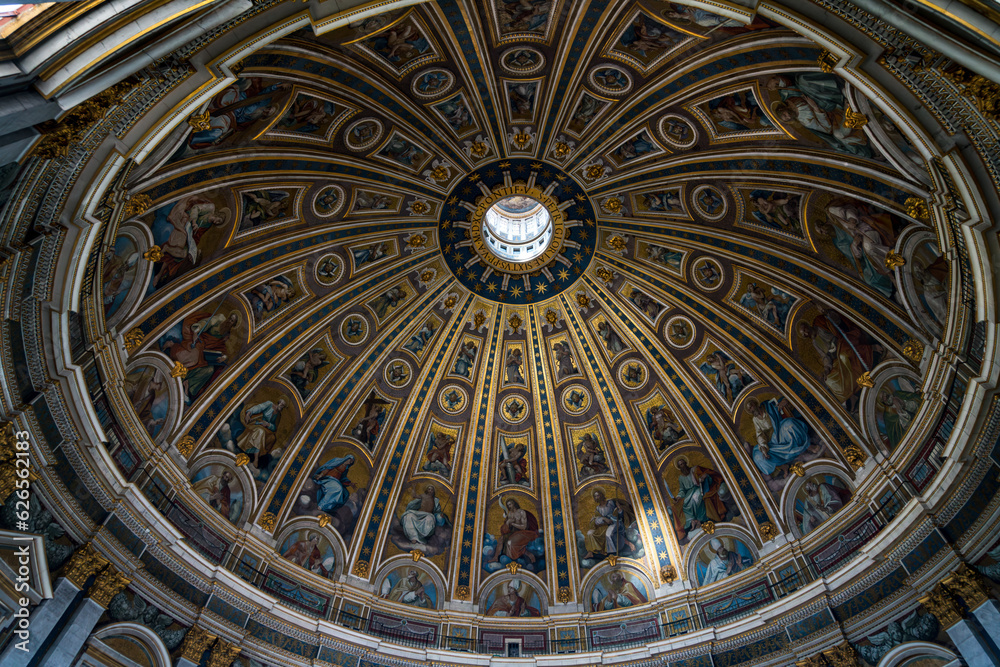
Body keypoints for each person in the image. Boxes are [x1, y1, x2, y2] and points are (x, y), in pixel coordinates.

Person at [744, 396, 814, 477]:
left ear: (755, 403)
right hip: (771, 440)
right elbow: (760, 434)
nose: (751, 409)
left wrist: (784, 401)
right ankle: (783, 466)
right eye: (749, 409)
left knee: (790, 424)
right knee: (757, 455)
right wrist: (763, 446)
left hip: (780, 430)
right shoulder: (755, 419)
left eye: (751, 406)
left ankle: (808, 446)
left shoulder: (768, 406)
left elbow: (780, 401)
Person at [670, 457, 729, 537]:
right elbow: (682, 490)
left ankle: (701, 520)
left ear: (686, 463)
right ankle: (693, 522)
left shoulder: (694, 470)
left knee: (695, 499)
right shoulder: (681, 478)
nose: (683, 466)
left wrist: (704, 477)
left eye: (683, 463)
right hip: (688, 493)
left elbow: (706, 475)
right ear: (679, 467)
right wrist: (678, 497)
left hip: (698, 488)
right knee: (685, 505)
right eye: (680, 465)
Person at [582, 488, 636, 559]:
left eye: (598, 495)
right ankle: (591, 552)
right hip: (604, 525)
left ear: (601, 495)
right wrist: (604, 519)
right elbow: (596, 519)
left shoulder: (610, 503)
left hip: (614, 522)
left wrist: (619, 509)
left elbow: (619, 514)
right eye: (595, 496)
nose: (596, 497)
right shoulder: (598, 508)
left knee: (608, 534)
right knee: (589, 533)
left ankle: (612, 553)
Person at [237, 398, 286, 468]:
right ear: (279, 402)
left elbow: (275, 427)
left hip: (266, 429)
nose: (281, 406)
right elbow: (258, 408)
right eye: (281, 403)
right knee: (260, 431)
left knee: (272, 438)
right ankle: (256, 459)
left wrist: (269, 425)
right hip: (257, 423)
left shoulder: (278, 415)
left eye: (283, 406)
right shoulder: (269, 404)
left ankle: (258, 455)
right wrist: (249, 413)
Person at [493, 497, 539, 564]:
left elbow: (524, 527)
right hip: (513, 533)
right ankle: (495, 557)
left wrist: (512, 523)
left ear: (514, 504)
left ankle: (522, 555)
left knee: (510, 542)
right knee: (501, 539)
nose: (509, 506)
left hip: (524, 533)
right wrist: (507, 523)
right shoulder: (509, 514)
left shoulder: (521, 512)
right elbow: (506, 529)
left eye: (510, 504)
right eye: (508, 505)